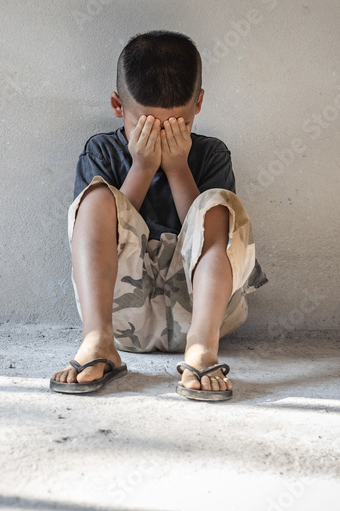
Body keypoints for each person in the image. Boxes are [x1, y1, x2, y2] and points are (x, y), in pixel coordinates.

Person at [50, 30, 267, 401]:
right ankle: (97, 343)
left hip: (202, 315)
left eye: (175, 128)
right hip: (119, 315)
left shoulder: (211, 155)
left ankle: (201, 349)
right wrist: (143, 167)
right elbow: (99, 236)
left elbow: (207, 241)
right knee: (98, 198)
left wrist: (179, 168)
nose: (161, 140)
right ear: (118, 106)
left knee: (216, 204)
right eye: (147, 128)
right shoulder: (101, 151)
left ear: (198, 105)